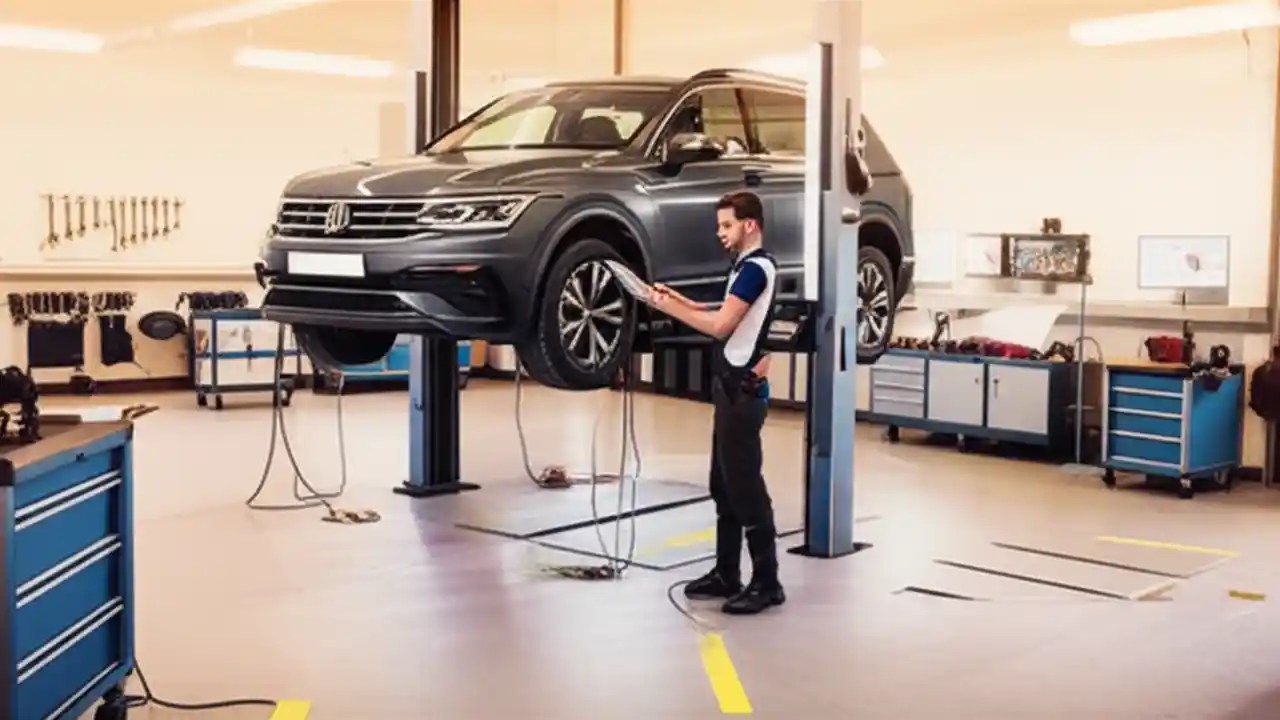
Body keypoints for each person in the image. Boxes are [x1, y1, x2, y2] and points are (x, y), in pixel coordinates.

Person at [647, 190, 785, 615]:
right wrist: (680, 301)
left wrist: (669, 309)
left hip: (742, 395)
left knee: (745, 488)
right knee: (722, 485)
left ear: (750, 224)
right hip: (730, 391)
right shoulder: (743, 269)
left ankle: (767, 582)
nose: (720, 233)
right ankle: (728, 573)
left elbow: (723, 325)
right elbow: (723, 311)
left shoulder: (755, 269)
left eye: (727, 225)